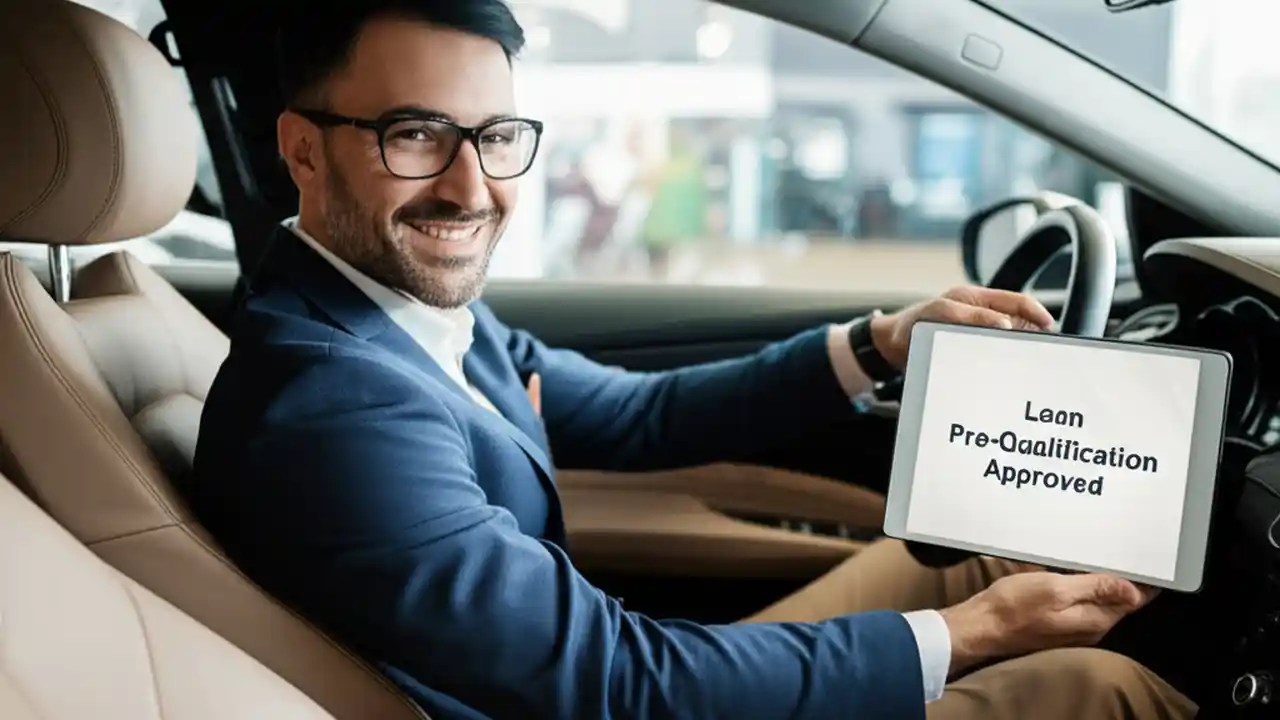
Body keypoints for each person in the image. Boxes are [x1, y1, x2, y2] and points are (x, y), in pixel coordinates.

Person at [190, 2, 1197, 718]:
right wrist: (974, 636)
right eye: (414, 135)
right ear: (303, 150)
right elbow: (619, 684)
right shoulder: (334, 406)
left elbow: (640, 416)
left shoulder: (400, 316)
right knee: (1088, 687)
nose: (472, 187)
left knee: (980, 559)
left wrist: (879, 342)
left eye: (494, 136)